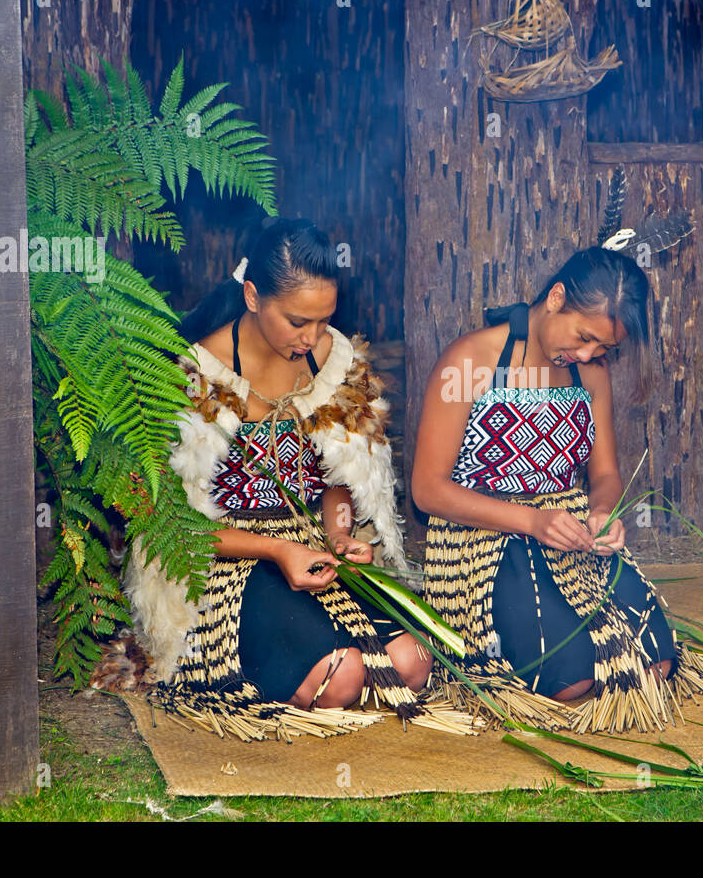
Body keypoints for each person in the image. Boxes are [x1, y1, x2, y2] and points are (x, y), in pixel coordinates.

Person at [122, 217, 472, 741]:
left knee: (412, 661)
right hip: (227, 559)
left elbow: (335, 477)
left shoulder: (334, 360)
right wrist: (275, 551)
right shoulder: (190, 375)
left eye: (323, 320)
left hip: (311, 546)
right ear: (252, 296)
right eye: (297, 321)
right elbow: (170, 522)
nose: (311, 338)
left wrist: (339, 534)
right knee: (342, 677)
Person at [411, 246, 703, 733]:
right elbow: (427, 491)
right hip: (480, 540)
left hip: (570, 530)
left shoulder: (590, 375)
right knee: (568, 679)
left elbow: (604, 475)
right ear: (556, 297)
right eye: (584, 338)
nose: (585, 355)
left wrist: (603, 511)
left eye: (603, 349)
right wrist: (532, 522)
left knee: (656, 662)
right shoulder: (472, 360)